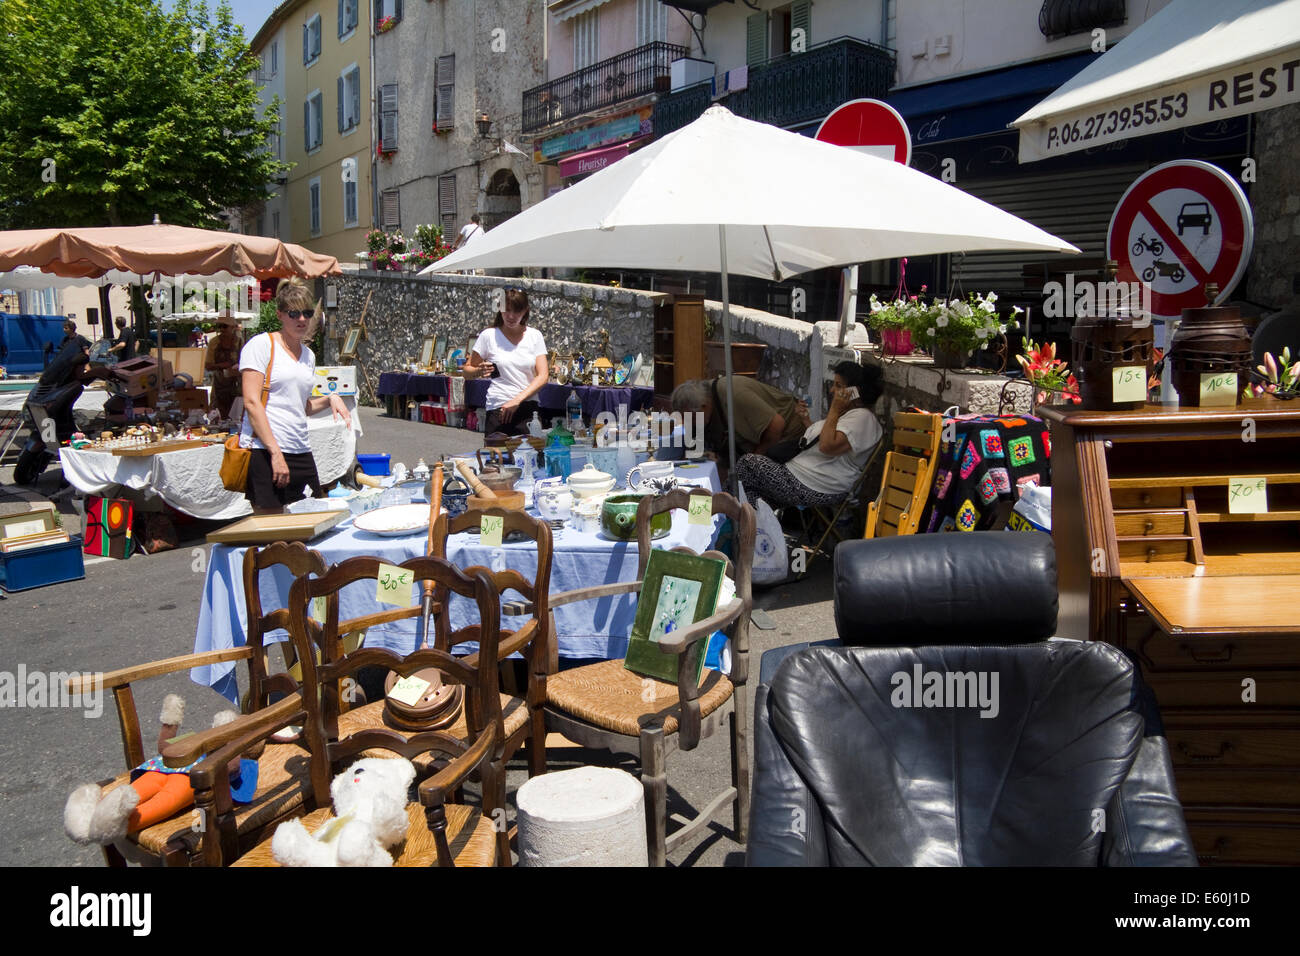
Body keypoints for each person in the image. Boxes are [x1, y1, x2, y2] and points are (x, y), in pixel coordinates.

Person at [238, 280, 352, 514]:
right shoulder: (262, 345)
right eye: (294, 313)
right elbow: (251, 402)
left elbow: (303, 406)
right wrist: (275, 453)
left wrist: (331, 397)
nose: (301, 319)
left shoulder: (308, 356)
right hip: (265, 449)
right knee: (272, 530)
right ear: (280, 314)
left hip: (299, 449)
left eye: (307, 313)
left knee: (311, 519)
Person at [732, 362, 883, 511]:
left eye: (838, 386)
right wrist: (806, 419)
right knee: (750, 493)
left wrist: (835, 410)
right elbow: (819, 441)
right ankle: (744, 528)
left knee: (748, 463)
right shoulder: (850, 416)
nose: (832, 390)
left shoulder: (863, 418)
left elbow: (827, 446)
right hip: (802, 477)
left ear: (853, 392)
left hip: (815, 485)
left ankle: (715, 517)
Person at [462, 288, 548, 436]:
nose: (511, 316)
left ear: (525, 311)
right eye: (507, 310)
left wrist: (517, 400)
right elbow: (466, 371)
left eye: (517, 311)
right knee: (497, 457)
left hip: (528, 408)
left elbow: (543, 376)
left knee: (531, 457)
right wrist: (478, 371)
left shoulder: (535, 336)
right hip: (498, 408)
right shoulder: (488, 336)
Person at [671, 375, 811, 465]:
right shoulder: (700, 404)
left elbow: (776, 426)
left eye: (691, 418)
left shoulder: (734, 395)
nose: (689, 423)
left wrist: (752, 462)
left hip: (787, 438)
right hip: (754, 445)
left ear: (703, 406)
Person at [205, 312, 243, 418]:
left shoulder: (239, 342)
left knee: (235, 416)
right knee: (218, 415)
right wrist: (222, 365)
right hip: (219, 387)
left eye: (224, 326)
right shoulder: (214, 342)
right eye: (219, 326)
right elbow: (208, 366)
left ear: (232, 327)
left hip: (235, 387)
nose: (221, 329)